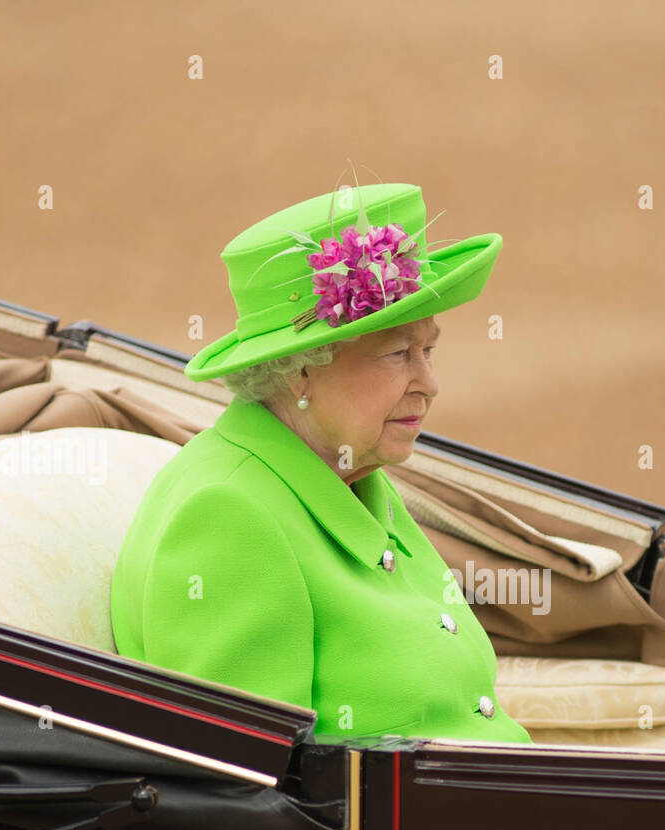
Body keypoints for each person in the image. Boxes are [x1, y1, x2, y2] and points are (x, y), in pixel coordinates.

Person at [110, 179, 531, 743]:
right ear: (301, 369)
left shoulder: (348, 472)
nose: (429, 385)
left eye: (428, 350)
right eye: (397, 355)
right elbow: (244, 790)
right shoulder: (231, 517)